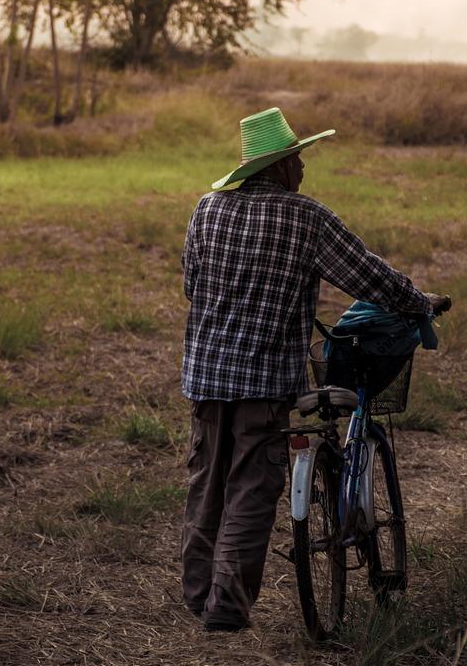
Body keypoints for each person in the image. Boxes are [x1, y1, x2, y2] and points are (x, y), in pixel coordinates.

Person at [179, 107, 450, 632]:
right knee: (252, 488)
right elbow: (368, 276)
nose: (303, 168)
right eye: (298, 159)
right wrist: (417, 302)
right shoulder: (305, 217)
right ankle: (228, 609)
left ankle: (197, 595)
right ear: (279, 168)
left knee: (207, 481)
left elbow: (192, 285)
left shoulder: (206, 209)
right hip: (264, 380)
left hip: (207, 376)